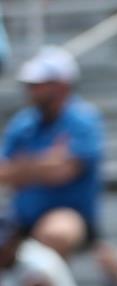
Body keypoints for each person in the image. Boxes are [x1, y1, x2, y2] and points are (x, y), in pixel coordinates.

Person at [0, 48, 104, 251]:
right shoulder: (22, 123)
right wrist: (46, 163)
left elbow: (64, 171)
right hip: (21, 219)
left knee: (54, 233)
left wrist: (21, 169)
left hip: (71, 217)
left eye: (39, 85)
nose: (31, 90)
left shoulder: (84, 119)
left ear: (62, 86)